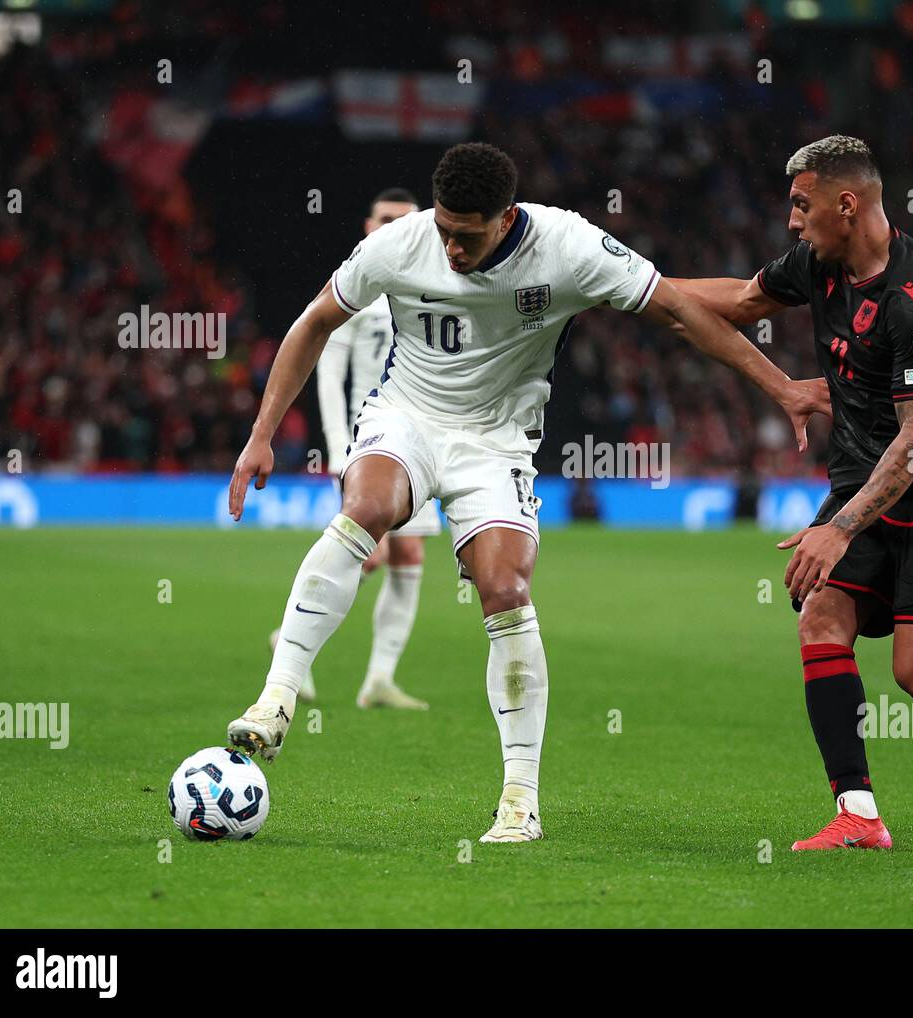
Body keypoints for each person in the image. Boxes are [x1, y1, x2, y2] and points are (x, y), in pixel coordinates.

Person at [226, 142, 829, 843]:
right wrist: (262, 434)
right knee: (365, 508)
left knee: (506, 591)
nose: (451, 247)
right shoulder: (399, 245)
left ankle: (519, 799)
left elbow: (675, 310)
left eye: (469, 235)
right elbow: (312, 325)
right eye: (445, 229)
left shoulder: (568, 246)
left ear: (507, 216)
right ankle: (276, 698)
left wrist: (781, 385)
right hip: (408, 416)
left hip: (499, 441)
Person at [668, 135, 913, 851]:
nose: (791, 221)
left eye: (801, 205)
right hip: (856, 485)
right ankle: (859, 813)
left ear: (848, 204)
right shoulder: (819, 262)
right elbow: (746, 299)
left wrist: (836, 528)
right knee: (820, 617)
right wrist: (640, 285)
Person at [273, 186, 436, 710]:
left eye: (404, 220)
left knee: (409, 551)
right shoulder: (358, 283)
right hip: (372, 437)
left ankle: (379, 680)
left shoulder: (433, 286)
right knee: (370, 548)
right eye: (385, 218)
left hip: (424, 438)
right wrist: (341, 447)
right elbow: (328, 372)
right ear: (368, 226)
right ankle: (290, 639)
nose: (393, 227)